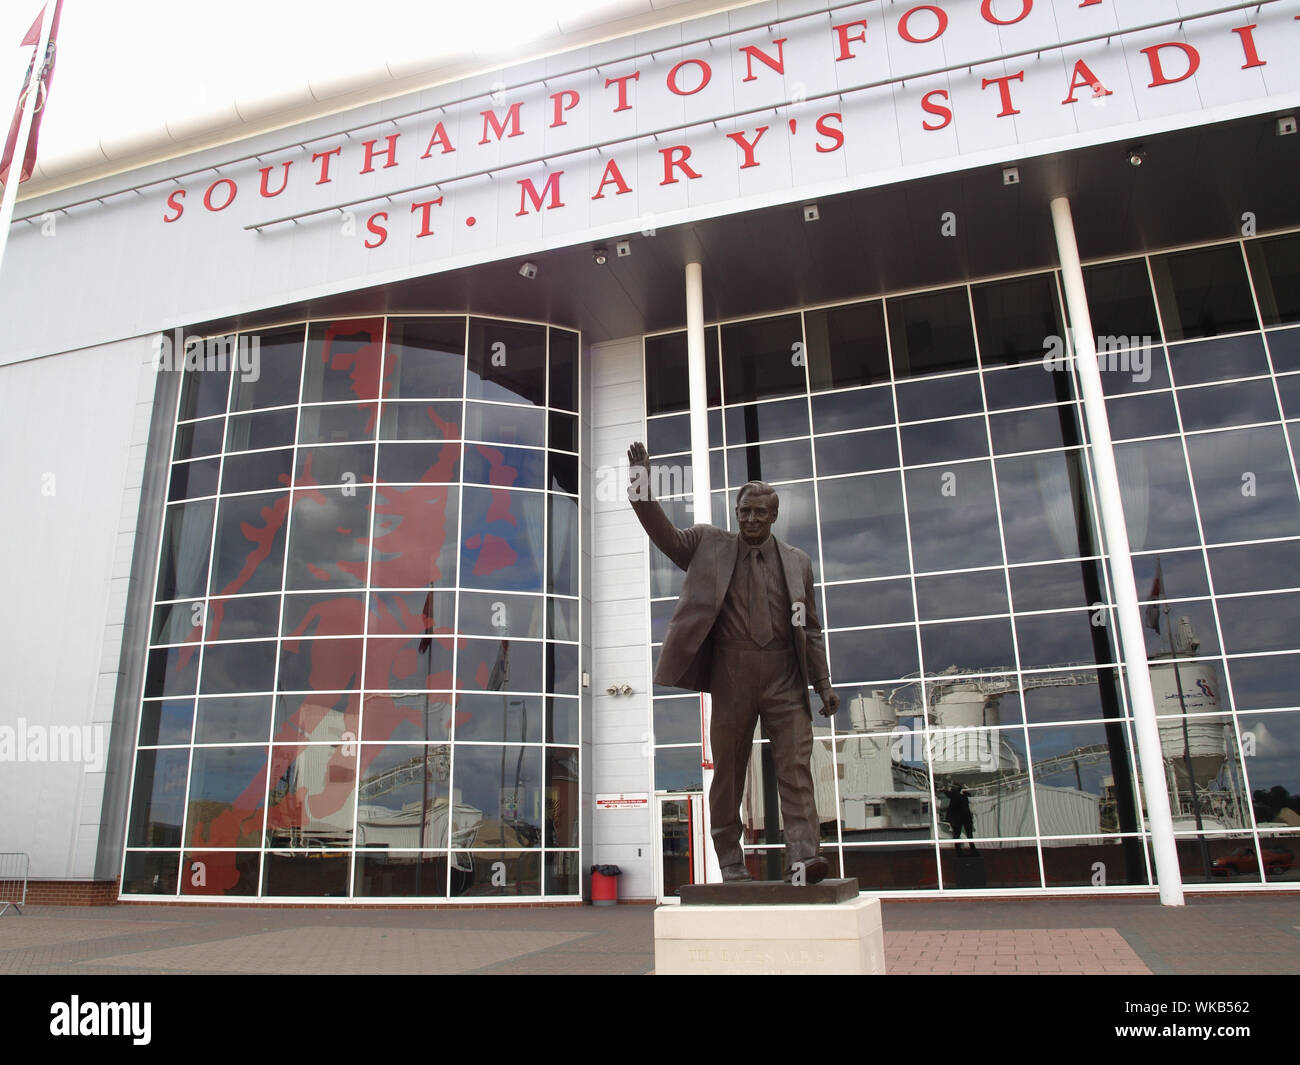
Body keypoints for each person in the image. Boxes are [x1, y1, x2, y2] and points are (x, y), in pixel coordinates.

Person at [627, 441, 839, 883]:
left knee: (796, 768)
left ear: (774, 515)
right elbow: (664, 534)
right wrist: (642, 483)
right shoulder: (708, 544)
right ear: (736, 511)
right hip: (732, 676)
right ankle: (729, 860)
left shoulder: (797, 562)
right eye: (744, 511)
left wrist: (822, 683)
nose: (751, 519)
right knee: (728, 773)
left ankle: (804, 858)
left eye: (760, 513)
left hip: (785, 677)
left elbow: (810, 629)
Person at [945, 783, 976, 852]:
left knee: (957, 834)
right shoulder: (963, 796)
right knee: (968, 834)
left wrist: (944, 789)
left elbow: (948, 793)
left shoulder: (955, 795)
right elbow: (969, 795)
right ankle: (972, 849)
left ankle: (959, 850)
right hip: (965, 817)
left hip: (959, 818)